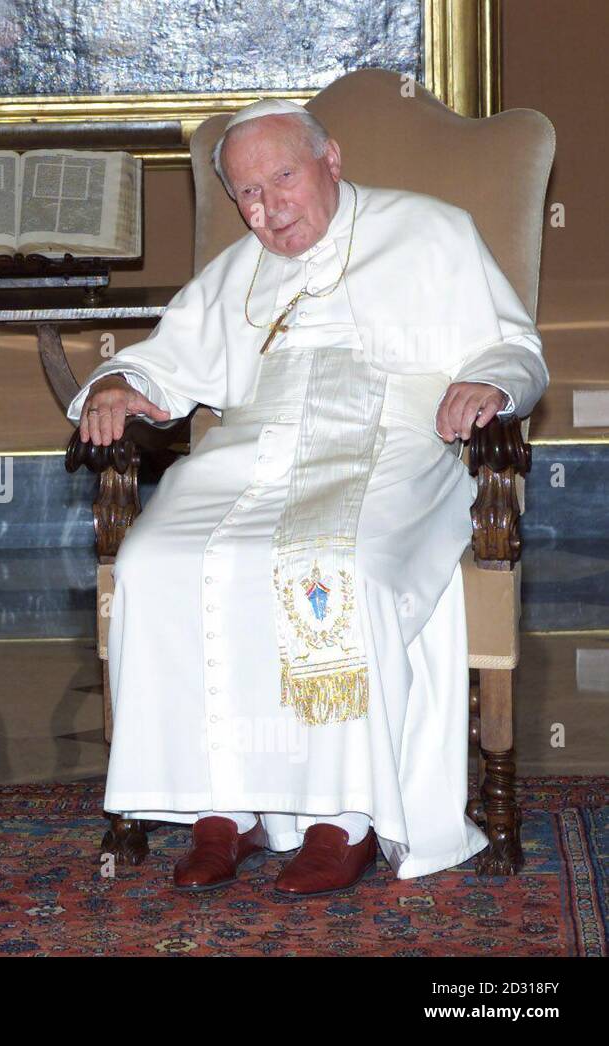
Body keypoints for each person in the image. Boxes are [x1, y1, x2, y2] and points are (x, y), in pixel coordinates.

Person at [66, 98, 548, 894]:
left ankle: (345, 819)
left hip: (394, 445)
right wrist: (120, 383)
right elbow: (165, 360)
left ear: (331, 159)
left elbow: (513, 344)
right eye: (247, 196)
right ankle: (226, 809)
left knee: (337, 564)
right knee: (156, 560)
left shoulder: (432, 231)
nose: (267, 209)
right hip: (253, 448)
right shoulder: (239, 270)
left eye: (282, 179)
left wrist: (488, 381)